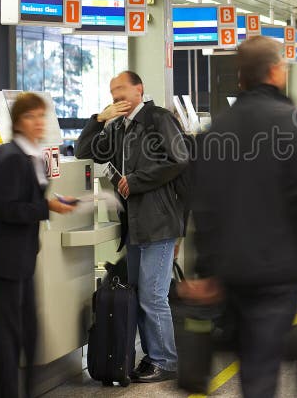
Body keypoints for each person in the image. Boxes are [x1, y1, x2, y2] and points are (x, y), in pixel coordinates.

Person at [183, 36, 297, 398]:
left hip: (231, 272)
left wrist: (205, 269)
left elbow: (205, 206)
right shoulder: (296, 124)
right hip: (277, 271)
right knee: (263, 364)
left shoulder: (218, 130)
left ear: (241, 78)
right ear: (275, 72)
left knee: (252, 361)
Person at [75, 71, 188, 383]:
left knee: (153, 295)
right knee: (140, 294)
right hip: (136, 225)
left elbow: (179, 158)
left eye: (121, 89)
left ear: (139, 89)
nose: (116, 96)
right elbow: (83, 150)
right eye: (112, 91)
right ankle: (152, 357)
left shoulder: (158, 119)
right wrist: (99, 119)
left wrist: (136, 181)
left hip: (159, 222)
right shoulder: (119, 129)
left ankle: (165, 360)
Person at [0, 92, 76, 398]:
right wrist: (47, 207)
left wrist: (47, 203)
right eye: (30, 117)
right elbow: (7, 208)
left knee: (29, 332)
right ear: (18, 122)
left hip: (23, 258)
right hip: (8, 261)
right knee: (8, 338)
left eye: (41, 116)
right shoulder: (11, 157)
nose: (38, 123)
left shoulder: (32, 154)